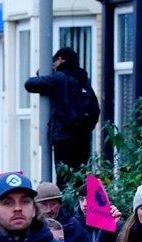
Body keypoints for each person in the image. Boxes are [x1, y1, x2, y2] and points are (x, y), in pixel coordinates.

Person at [24, 47, 99, 177]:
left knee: (64, 181)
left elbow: (30, 84)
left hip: (64, 138)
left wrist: (45, 73)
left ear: (59, 60)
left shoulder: (59, 78)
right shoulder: (84, 79)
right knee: (79, 178)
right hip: (83, 138)